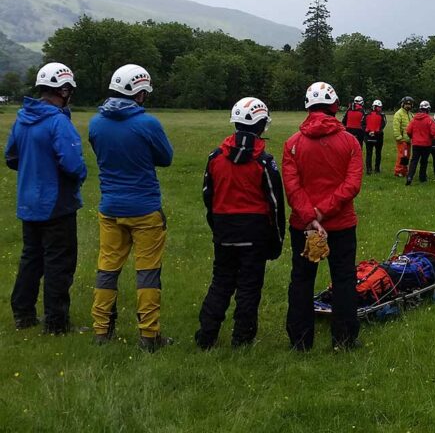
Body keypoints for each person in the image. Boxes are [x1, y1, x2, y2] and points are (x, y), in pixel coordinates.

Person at [89, 64, 174, 352]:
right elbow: (166, 157)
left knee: (107, 269)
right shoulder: (147, 124)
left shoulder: (95, 123)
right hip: (145, 209)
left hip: (110, 207)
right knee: (147, 272)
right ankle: (149, 336)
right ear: (137, 93)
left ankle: (101, 331)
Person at [195, 98, 285, 350]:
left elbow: (207, 195)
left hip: (224, 229)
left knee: (221, 282)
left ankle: (206, 335)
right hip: (254, 231)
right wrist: (277, 240)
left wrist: (216, 225)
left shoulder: (215, 157)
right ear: (261, 125)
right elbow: (275, 204)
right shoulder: (264, 161)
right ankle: (242, 338)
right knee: (249, 286)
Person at [4, 63, 87, 334]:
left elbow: (11, 157)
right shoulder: (57, 121)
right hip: (57, 204)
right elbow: (74, 165)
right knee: (59, 264)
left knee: (31, 259)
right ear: (63, 90)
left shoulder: (22, 118)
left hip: (28, 202)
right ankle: (56, 323)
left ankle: (23, 314)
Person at [282, 82, 363, 351]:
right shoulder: (350, 142)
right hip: (340, 224)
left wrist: (311, 215)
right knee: (343, 281)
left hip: (303, 225)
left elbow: (292, 186)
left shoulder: (292, 144)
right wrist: (323, 212)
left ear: (307, 106)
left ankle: (300, 342)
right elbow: (351, 185)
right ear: (335, 106)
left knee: (302, 281)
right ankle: (345, 339)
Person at [405, 100, 434, 185]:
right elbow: (433, 133)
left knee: (414, 161)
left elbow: (408, 131)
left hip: (416, 144)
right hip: (426, 144)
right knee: (424, 161)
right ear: (428, 109)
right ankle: (422, 178)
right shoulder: (429, 120)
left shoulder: (414, 119)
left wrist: (413, 137)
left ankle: (410, 176)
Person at [393, 96, 414, 177]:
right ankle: (398, 171)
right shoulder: (398, 114)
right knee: (402, 156)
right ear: (403, 104)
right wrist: (399, 137)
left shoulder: (411, 114)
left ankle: (404, 171)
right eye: (406, 104)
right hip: (402, 140)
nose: (408, 106)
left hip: (409, 140)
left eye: (410, 104)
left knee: (407, 156)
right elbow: (396, 127)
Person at [363, 99, 387, 174]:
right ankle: (376, 169)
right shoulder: (382, 114)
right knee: (377, 153)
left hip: (369, 135)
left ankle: (369, 169)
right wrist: (376, 132)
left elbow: (362, 124)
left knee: (369, 153)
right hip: (378, 136)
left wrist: (368, 131)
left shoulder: (366, 113)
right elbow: (383, 125)